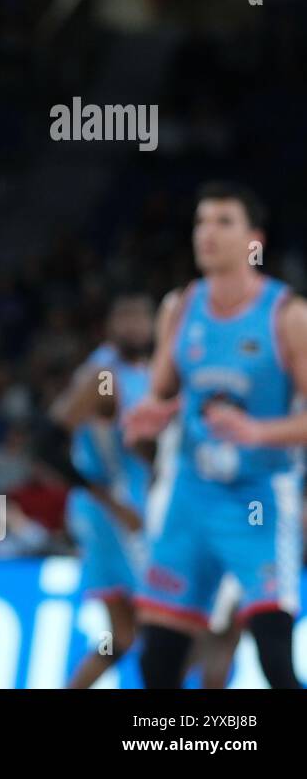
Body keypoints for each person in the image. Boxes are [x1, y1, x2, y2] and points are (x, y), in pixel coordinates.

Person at [125, 182, 305, 688]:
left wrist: (257, 430)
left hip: (260, 499)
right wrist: (152, 415)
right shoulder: (180, 308)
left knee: (275, 664)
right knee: (157, 661)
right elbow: (163, 393)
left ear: (254, 240)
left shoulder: (289, 316)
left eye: (224, 222)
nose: (207, 233)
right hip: (190, 495)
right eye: (201, 222)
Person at [49, 293, 154, 688]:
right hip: (114, 515)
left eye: (142, 316)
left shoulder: (144, 371)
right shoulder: (102, 376)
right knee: (168, 620)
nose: (135, 326)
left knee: (122, 637)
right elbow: (47, 445)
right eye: (125, 317)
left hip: (126, 510)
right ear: (110, 326)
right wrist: (111, 503)